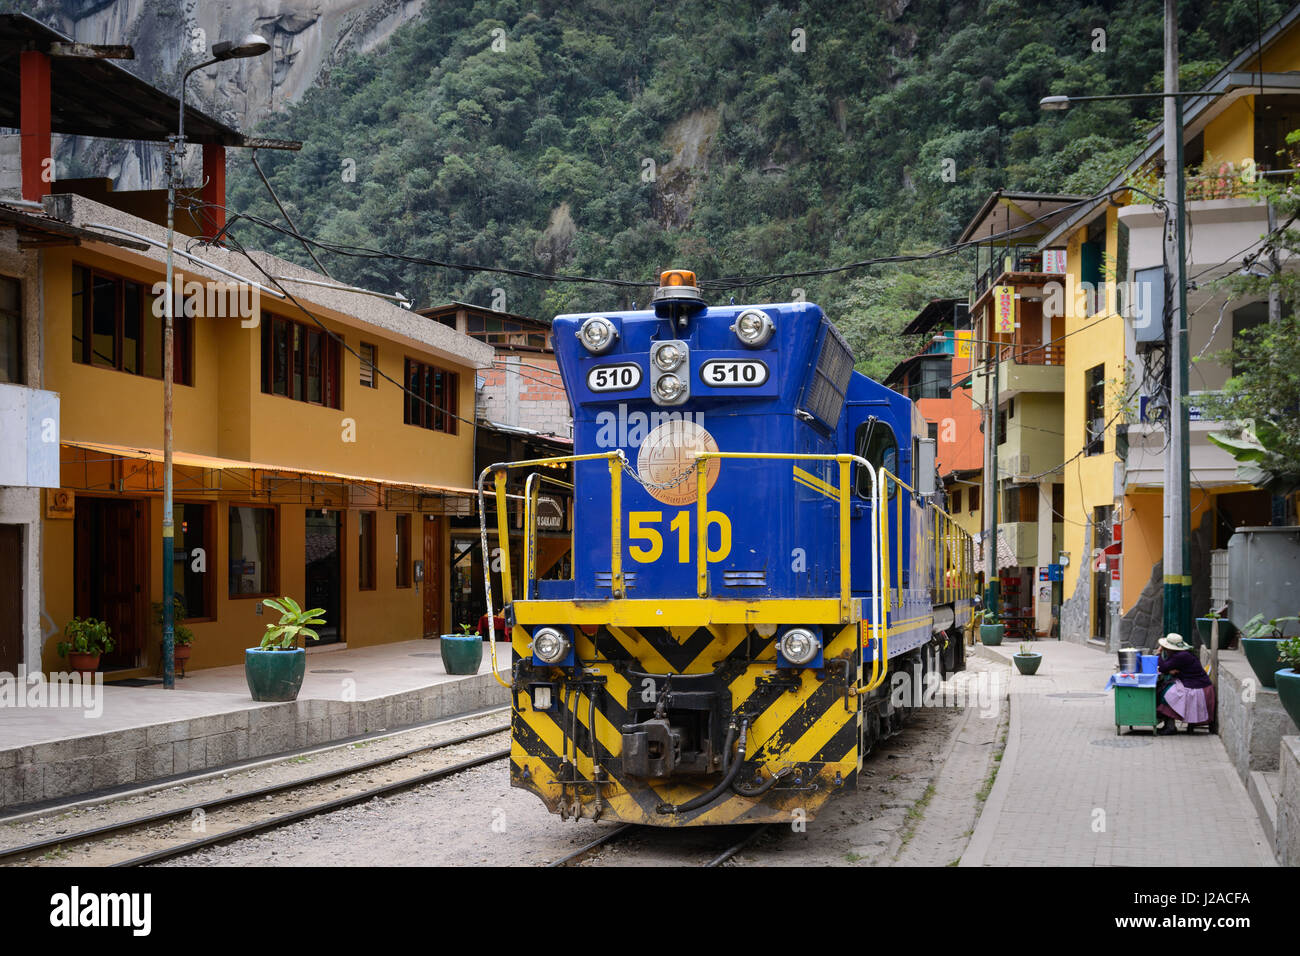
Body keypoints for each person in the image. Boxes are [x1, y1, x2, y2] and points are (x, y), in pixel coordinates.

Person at [1155, 633, 1215, 735]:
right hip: (1192, 684)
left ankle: (1170, 727)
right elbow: (1168, 667)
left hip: (1197, 688)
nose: (1164, 650)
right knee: (1165, 687)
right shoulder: (1181, 654)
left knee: (1167, 693)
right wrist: (1169, 671)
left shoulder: (1181, 656)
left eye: (1165, 648)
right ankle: (1169, 725)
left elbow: (1163, 667)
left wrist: (1158, 653)